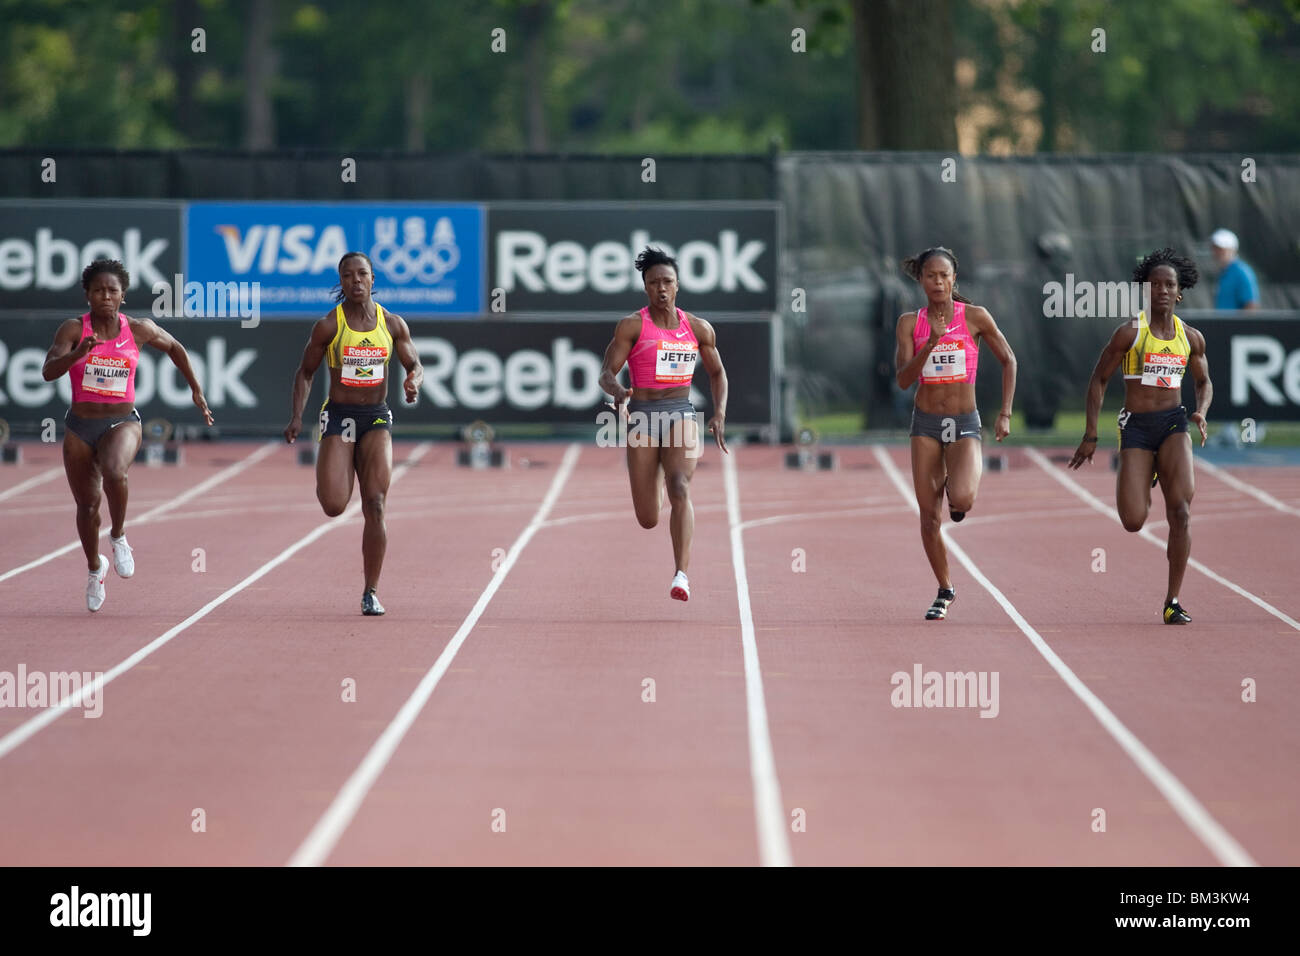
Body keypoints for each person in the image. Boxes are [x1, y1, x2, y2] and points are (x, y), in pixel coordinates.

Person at [41, 258, 214, 612]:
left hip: (122, 420)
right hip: (80, 425)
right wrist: (79, 353)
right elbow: (47, 372)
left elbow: (176, 348)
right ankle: (94, 568)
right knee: (87, 507)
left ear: (122, 296)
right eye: (98, 291)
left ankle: (118, 536)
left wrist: (196, 390)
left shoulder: (138, 329)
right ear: (88, 295)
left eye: (112, 291)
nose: (106, 296)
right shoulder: (73, 329)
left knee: (115, 472)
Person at [1069, 248, 1212, 624]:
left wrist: (1201, 410)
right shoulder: (1130, 333)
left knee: (1180, 511)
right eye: (1155, 284)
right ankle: (1146, 471)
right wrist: (1090, 435)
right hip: (1136, 427)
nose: (1162, 290)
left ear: (1180, 292)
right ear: (1145, 291)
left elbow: (1204, 381)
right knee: (1133, 520)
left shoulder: (1191, 337)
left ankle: (1173, 600)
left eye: (1169, 285)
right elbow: (1099, 379)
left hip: (1173, 425)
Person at [284, 251, 423, 616]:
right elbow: (305, 372)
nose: (356, 281)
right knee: (333, 506)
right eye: (348, 275)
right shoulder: (329, 326)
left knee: (375, 504)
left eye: (362, 274)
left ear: (374, 279)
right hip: (340, 416)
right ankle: (332, 471)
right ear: (341, 282)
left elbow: (415, 363)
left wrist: (413, 381)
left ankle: (371, 591)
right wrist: (297, 416)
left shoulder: (392, 324)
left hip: (376, 417)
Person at [598, 247, 728, 601]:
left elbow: (717, 372)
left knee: (680, 486)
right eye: (654, 282)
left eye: (667, 281)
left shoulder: (698, 328)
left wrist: (719, 412)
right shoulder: (632, 326)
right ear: (645, 287)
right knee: (648, 517)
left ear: (678, 284)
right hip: (642, 416)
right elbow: (606, 373)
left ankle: (681, 574)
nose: (661, 289)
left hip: (682, 413)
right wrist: (618, 391)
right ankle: (655, 476)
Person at [894, 247, 1017, 620]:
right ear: (921, 280)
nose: (937, 282)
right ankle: (945, 588)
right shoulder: (908, 323)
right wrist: (930, 343)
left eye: (944, 276)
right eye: (930, 276)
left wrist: (1005, 413)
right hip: (926, 424)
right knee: (929, 517)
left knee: (961, 499)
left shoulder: (975, 317)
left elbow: (1009, 359)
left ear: (954, 280)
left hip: (964, 422)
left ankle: (955, 486)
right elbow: (902, 381)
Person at [1209, 229, 1260, 310]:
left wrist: (1243, 323)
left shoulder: (1242, 271)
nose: (1217, 252)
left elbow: (1251, 305)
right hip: (1221, 322)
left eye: (1221, 249)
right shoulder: (1222, 272)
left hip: (1236, 323)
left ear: (1232, 250)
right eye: (1215, 248)